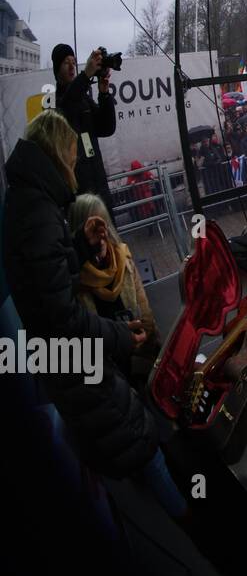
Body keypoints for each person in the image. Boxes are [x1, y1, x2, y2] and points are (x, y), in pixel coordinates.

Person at [2, 110, 186, 520]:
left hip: (66, 362)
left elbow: (48, 276)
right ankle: (190, 527)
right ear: (56, 155)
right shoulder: (37, 212)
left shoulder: (28, 202)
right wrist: (121, 337)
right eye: (71, 159)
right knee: (140, 445)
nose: (75, 167)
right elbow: (63, 316)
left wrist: (80, 247)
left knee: (135, 444)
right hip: (75, 365)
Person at [67, 193, 160, 387]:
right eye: (92, 230)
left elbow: (146, 315)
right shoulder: (73, 282)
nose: (100, 237)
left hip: (141, 362)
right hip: (108, 377)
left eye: (102, 226)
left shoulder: (123, 259)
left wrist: (150, 350)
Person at [51, 43, 117, 209]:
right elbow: (67, 107)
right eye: (66, 62)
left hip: (100, 187)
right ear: (57, 69)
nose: (72, 66)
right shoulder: (53, 102)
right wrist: (86, 75)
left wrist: (104, 94)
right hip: (80, 197)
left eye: (74, 62)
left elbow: (107, 128)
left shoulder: (83, 99)